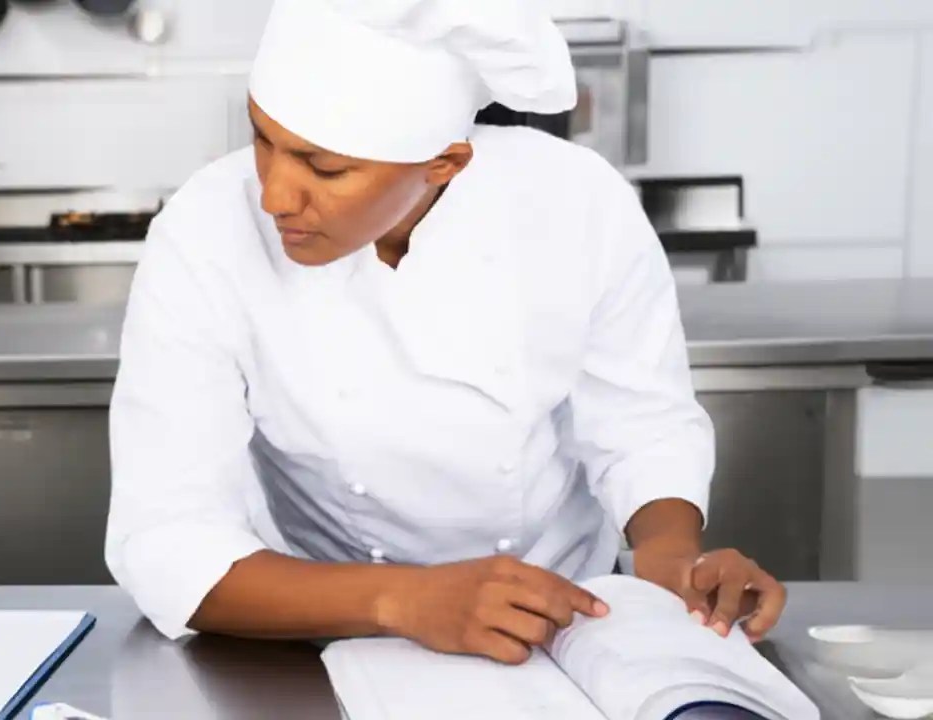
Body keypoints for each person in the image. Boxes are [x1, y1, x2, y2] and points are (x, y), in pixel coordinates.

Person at [105, 0, 786, 665]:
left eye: (325, 167)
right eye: (262, 138)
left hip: (564, 634)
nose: (276, 195)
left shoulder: (575, 202)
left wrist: (672, 562)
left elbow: (643, 422)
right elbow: (168, 537)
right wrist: (402, 601)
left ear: (444, 164)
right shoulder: (205, 230)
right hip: (313, 636)